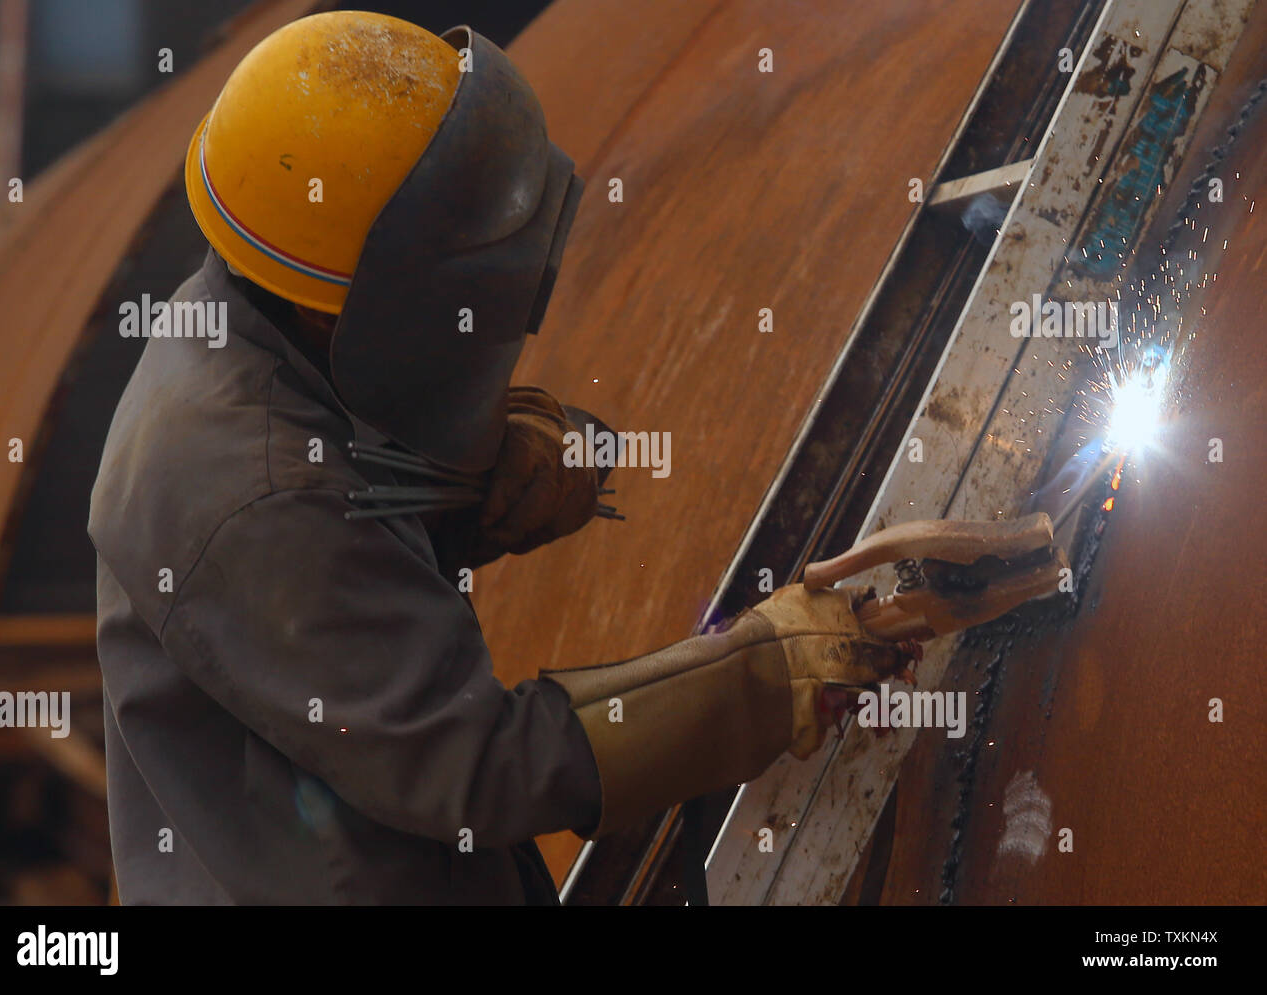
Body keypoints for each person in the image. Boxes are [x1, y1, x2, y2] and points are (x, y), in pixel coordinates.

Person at [88, 11, 910, 905]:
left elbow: (328, 512)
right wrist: (762, 673)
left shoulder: (249, 306)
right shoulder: (255, 489)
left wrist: (463, 492)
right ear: (348, 304)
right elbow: (479, 764)